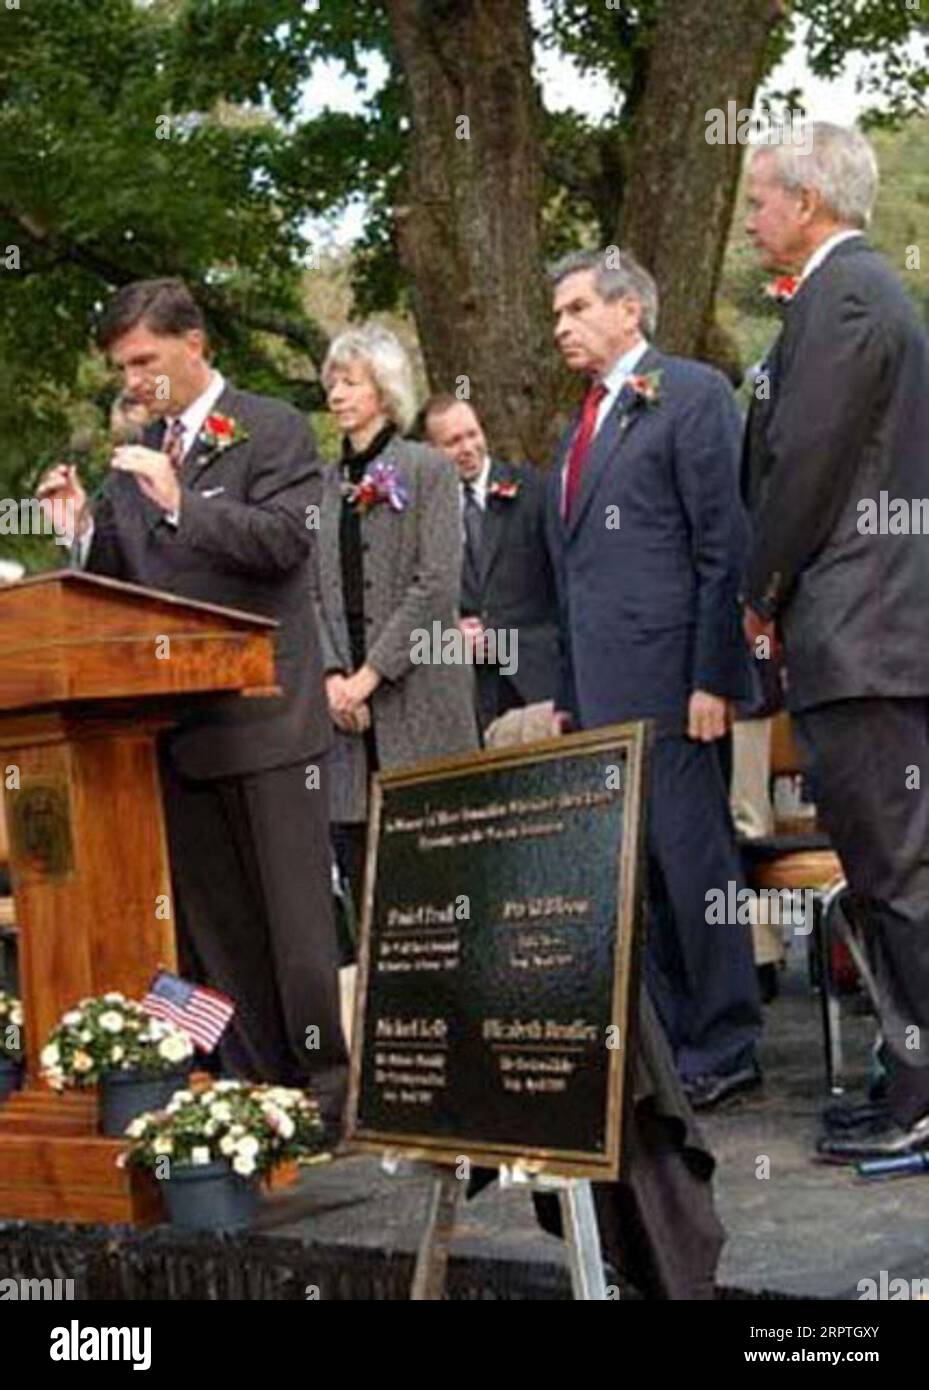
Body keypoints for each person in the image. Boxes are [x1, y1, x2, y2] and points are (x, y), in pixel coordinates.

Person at [35, 278, 347, 1124]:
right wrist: (81, 534)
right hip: (176, 731)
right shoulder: (133, 461)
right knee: (218, 934)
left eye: (143, 359)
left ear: (194, 343)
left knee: (295, 928)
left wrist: (181, 503)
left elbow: (287, 544)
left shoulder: (271, 427)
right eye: (120, 366)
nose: (131, 380)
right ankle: (254, 1092)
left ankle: (327, 1092)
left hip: (267, 719)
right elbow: (117, 589)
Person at [742, 122, 929, 1161]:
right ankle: (906, 1074)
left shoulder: (846, 294)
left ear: (807, 201)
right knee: (878, 872)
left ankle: (923, 1092)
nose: (752, 215)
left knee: (896, 875)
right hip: (863, 632)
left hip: (863, 629)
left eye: (762, 197)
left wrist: (759, 589)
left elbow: (803, 465)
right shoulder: (844, 295)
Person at [546, 247, 762, 1110]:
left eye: (574, 309)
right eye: (556, 313)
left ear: (628, 310)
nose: (560, 326)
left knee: (692, 865)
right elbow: (575, 577)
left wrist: (713, 676)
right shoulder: (580, 424)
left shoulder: (692, 392)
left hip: (675, 686)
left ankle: (728, 1040)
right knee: (637, 878)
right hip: (602, 694)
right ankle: (670, 1045)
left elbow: (723, 545)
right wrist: (567, 696)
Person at [312, 327, 479, 914]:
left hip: (421, 696)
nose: (335, 393)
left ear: (383, 391)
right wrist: (334, 676)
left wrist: (369, 675)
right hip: (345, 719)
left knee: (437, 871)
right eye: (332, 381)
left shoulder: (428, 469)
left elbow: (436, 586)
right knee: (366, 878)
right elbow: (307, 589)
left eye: (350, 381)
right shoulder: (322, 483)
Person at [423, 396, 560, 731]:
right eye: (453, 442)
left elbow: (566, 587)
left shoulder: (534, 492)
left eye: (472, 434)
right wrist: (446, 640)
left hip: (537, 683)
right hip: (466, 695)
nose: (468, 447)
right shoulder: (422, 513)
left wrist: (502, 638)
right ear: (430, 450)